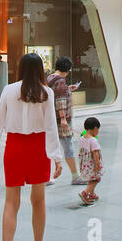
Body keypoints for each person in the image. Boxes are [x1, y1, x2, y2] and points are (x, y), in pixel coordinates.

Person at [0, 52, 63, 241]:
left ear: (20, 69)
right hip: (38, 149)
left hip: (14, 147)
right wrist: (56, 157)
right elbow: (50, 127)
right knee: (39, 201)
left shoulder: (9, 90)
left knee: (11, 202)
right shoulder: (47, 93)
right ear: (40, 70)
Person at [46, 56, 83, 184]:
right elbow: (60, 101)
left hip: (50, 119)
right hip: (60, 120)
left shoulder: (50, 78)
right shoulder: (60, 81)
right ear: (67, 70)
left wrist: (68, 89)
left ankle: (45, 177)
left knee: (49, 147)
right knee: (68, 146)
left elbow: (55, 95)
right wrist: (63, 119)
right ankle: (75, 176)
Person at [77, 117, 103, 205]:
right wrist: (97, 165)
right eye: (98, 129)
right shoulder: (93, 140)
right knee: (96, 179)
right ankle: (85, 192)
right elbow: (95, 154)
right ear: (95, 128)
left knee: (91, 178)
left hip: (85, 165)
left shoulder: (81, 139)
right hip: (92, 165)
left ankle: (91, 194)